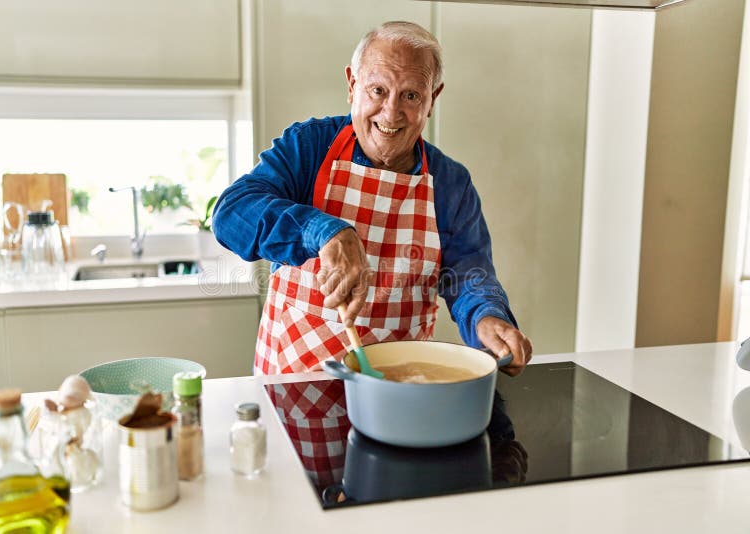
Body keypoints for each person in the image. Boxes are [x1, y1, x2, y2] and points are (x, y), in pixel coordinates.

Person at [214, 21, 532, 376]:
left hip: (397, 387)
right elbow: (231, 215)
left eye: (411, 95)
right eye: (378, 90)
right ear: (352, 85)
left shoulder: (450, 183)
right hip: (295, 383)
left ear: (432, 99)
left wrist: (487, 316)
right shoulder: (309, 147)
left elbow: (469, 273)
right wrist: (325, 232)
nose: (391, 113)